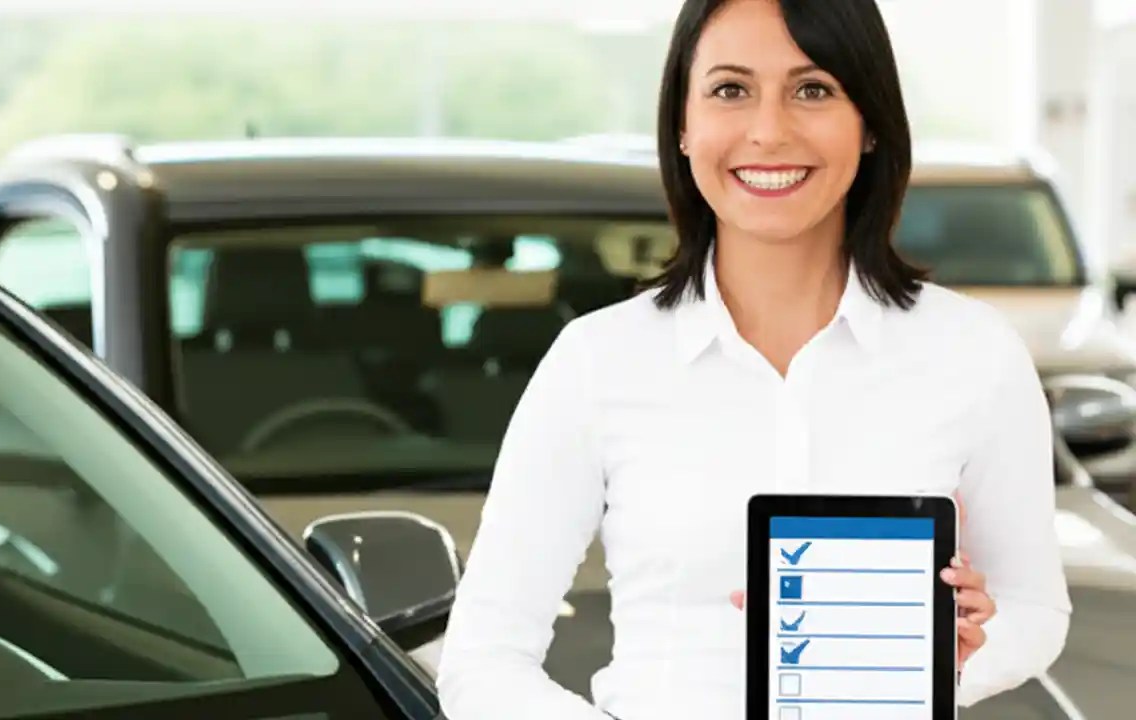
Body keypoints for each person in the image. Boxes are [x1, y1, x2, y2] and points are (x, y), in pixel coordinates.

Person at [435, 0, 1072, 717]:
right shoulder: (597, 361)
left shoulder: (973, 352)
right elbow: (482, 663)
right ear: (683, 125)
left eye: (813, 89)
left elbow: (1032, 610)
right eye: (730, 89)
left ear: (870, 124)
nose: (769, 131)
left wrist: (940, 659)